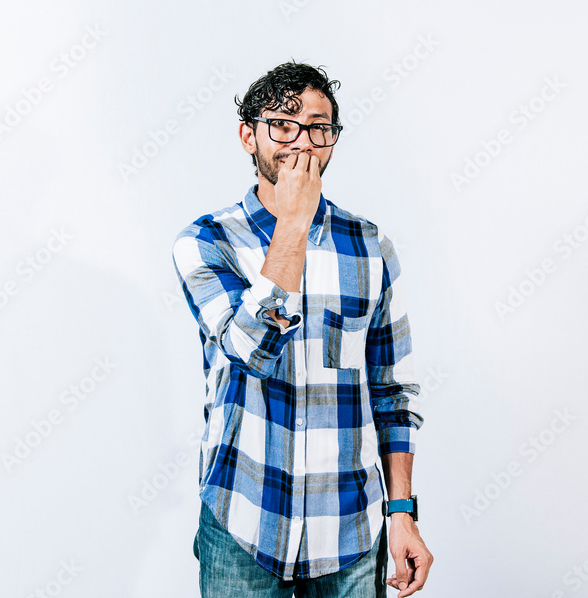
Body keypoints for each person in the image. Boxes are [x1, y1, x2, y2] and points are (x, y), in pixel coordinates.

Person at [171, 61, 433, 598]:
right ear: (249, 135)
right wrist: (293, 222)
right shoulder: (206, 241)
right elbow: (251, 350)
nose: (303, 142)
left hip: (350, 533)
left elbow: (393, 393)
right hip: (243, 522)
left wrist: (402, 512)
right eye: (284, 123)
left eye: (319, 127)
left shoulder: (370, 246)